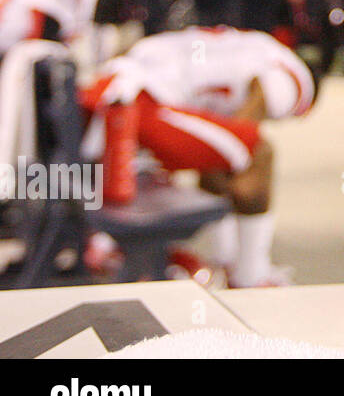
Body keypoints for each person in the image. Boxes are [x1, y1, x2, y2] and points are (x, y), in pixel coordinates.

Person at [82, 26, 318, 286]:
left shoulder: (251, 44)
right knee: (259, 152)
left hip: (109, 96)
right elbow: (251, 119)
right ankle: (253, 275)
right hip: (138, 104)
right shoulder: (292, 74)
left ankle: (225, 260)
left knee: (222, 151)